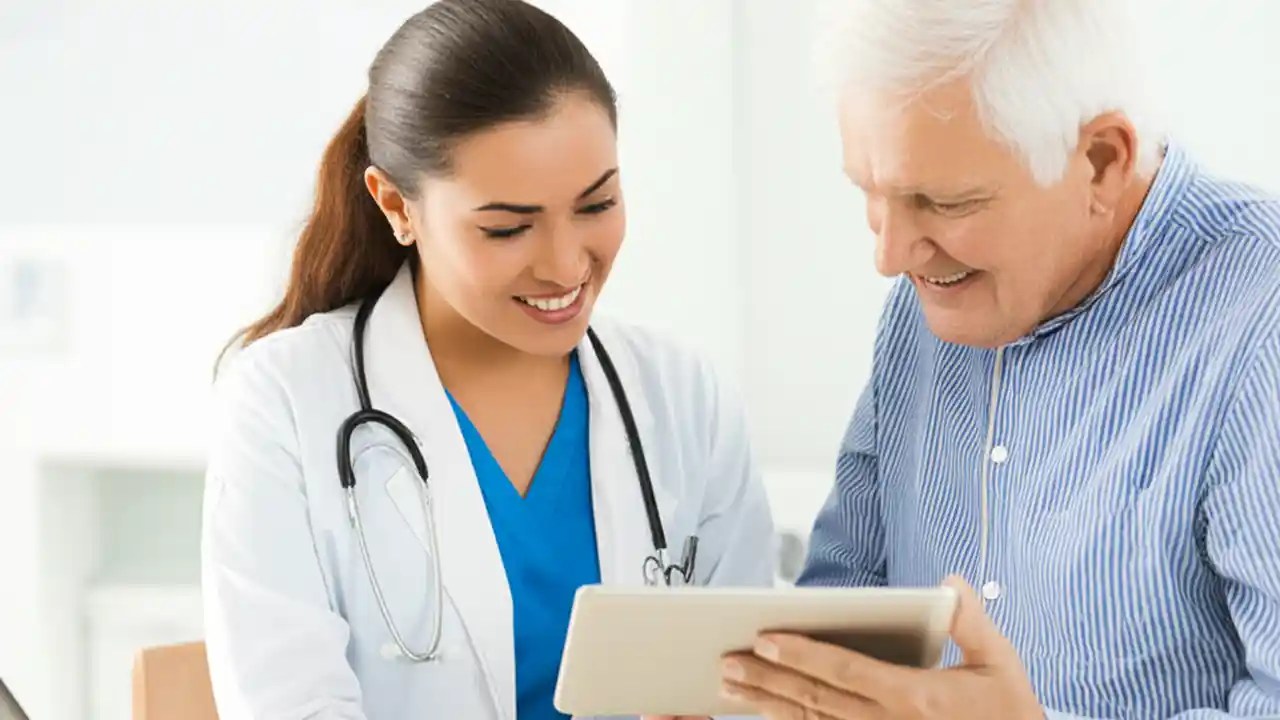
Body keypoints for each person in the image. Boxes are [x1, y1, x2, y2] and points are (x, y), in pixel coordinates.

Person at [200, 2, 774, 718]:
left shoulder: (680, 395)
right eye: (508, 228)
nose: (566, 266)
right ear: (396, 206)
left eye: (597, 205)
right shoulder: (283, 403)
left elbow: (761, 687)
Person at [717, 1, 1280, 718]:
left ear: (1103, 160)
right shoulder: (931, 296)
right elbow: (843, 600)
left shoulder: (1260, 319)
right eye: (871, 193)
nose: (889, 256)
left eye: (944, 202)